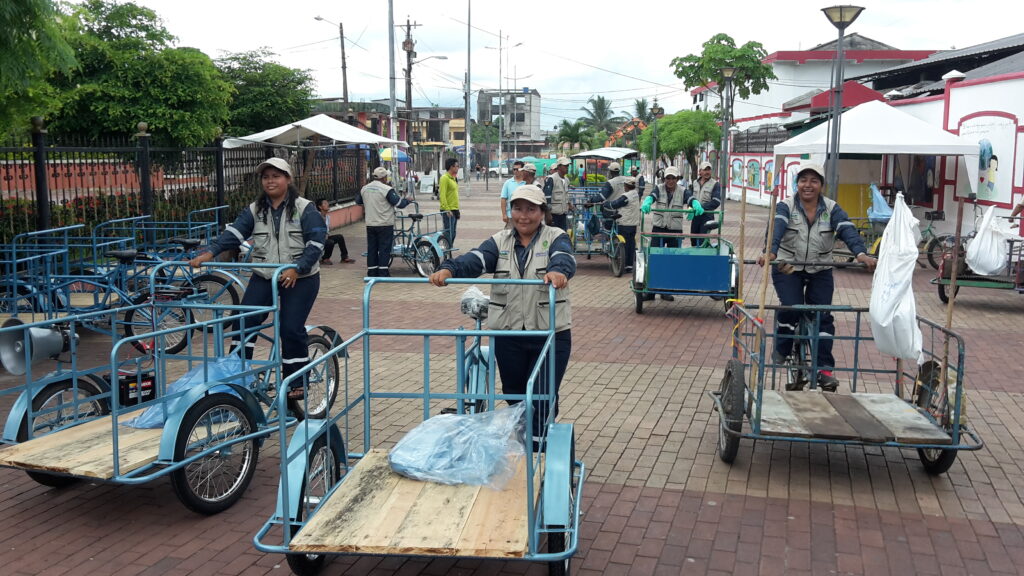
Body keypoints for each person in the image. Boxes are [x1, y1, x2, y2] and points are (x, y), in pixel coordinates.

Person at [429, 184, 575, 445]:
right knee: (514, 394)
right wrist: (450, 268)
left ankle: (538, 451)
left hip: (550, 334)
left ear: (542, 212)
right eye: (518, 209)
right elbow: (477, 258)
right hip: (507, 334)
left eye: (531, 209)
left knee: (541, 394)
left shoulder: (556, 236)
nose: (523, 216)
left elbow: (564, 257)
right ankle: (525, 439)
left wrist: (558, 271)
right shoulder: (500, 241)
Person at [188, 157, 324, 399]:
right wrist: (209, 253)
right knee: (243, 323)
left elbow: (316, 242)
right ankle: (239, 377)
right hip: (265, 275)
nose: (270, 181)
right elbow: (234, 233)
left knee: (290, 328)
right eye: (266, 177)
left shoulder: (305, 208)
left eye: (276, 176)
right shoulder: (255, 209)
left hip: (300, 278)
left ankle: (298, 382)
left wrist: (298, 268)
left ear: (288, 179)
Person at [757, 161, 877, 391]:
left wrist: (861, 254)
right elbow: (777, 228)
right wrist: (770, 251)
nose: (808, 185)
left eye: (814, 180)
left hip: (819, 269)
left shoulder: (832, 208)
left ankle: (823, 369)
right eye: (803, 180)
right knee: (791, 307)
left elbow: (847, 229)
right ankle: (782, 348)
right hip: (787, 266)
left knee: (823, 315)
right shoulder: (785, 206)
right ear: (797, 183)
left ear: (821, 185)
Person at [356, 166, 411, 277]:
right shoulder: (386, 189)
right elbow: (399, 204)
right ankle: (383, 272)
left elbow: (358, 201)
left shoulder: (364, 188)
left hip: (370, 224)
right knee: (384, 249)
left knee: (372, 248)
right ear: (384, 177)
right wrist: (408, 200)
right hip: (385, 224)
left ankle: (372, 271)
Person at [600, 175, 640, 272]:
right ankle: (629, 266)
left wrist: (605, 204)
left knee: (625, 245)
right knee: (631, 245)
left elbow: (615, 204)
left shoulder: (626, 196)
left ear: (626, 185)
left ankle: (624, 264)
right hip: (633, 224)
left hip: (625, 223)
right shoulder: (636, 194)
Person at [685, 160, 723, 247]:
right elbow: (689, 197)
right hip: (695, 216)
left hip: (707, 216)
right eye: (705, 170)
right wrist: (690, 208)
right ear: (700, 172)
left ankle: (703, 258)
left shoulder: (715, 184)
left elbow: (716, 202)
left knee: (703, 240)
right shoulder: (694, 183)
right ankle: (695, 259)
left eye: (709, 170)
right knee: (693, 238)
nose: (707, 172)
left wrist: (700, 206)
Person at [317, 199, 355, 264]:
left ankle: (344, 257)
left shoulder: (327, 217)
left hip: (325, 237)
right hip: (318, 239)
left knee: (339, 237)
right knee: (330, 242)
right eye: (325, 203)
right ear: (320, 207)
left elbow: (327, 230)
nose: (327, 205)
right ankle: (325, 258)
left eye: (327, 203)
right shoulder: (316, 216)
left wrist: (326, 234)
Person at [543, 156, 572, 231]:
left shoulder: (566, 180)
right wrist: (548, 214)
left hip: (563, 213)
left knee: (562, 235)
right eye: (565, 166)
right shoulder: (551, 179)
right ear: (559, 167)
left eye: (568, 166)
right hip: (553, 214)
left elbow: (566, 195)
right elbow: (547, 197)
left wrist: (569, 204)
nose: (567, 168)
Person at [439, 158, 460, 244]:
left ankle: (448, 250)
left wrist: (457, 210)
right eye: (457, 166)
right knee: (448, 234)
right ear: (451, 167)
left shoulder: (453, 178)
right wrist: (447, 209)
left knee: (453, 233)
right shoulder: (444, 178)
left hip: (454, 209)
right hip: (448, 210)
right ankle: (445, 253)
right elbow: (442, 195)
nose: (458, 168)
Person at [500, 160, 526, 225]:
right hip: (511, 216)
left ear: (523, 170)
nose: (515, 171)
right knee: (509, 234)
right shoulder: (508, 183)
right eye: (514, 169)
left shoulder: (527, 183)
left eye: (517, 169)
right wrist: (504, 214)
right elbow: (503, 199)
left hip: (525, 217)